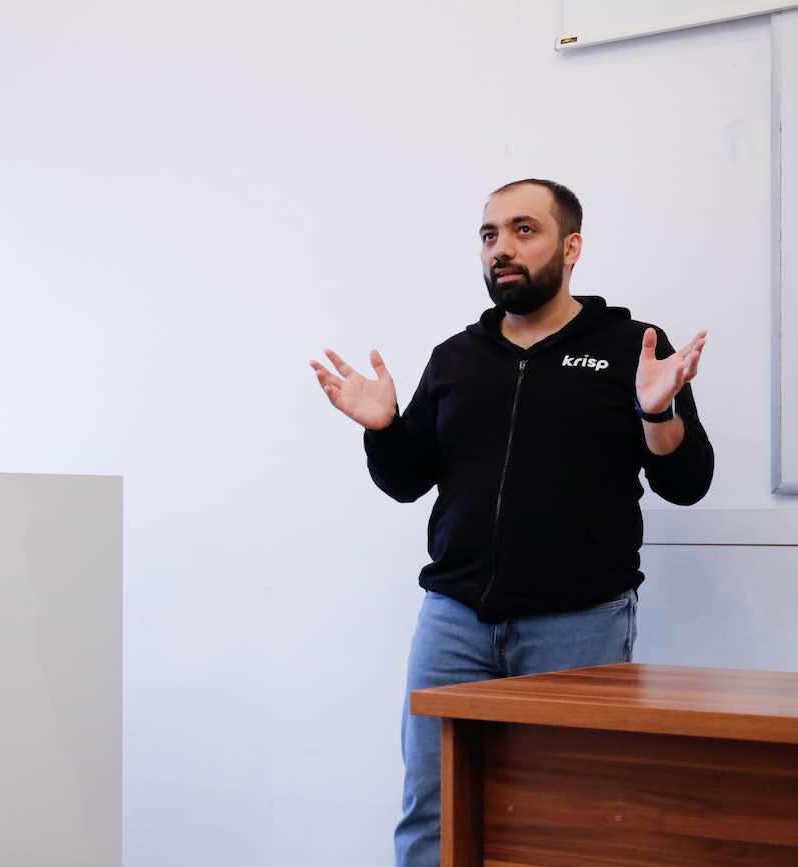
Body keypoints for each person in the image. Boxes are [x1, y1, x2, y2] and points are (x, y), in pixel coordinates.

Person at [309, 179, 714, 867]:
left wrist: (656, 413)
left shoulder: (631, 347)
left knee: (569, 822)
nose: (502, 248)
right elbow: (407, 481)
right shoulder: (457, 357)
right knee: (432, 811)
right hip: (453, 622)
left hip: (578, 625)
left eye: (524, 230)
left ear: (571, 247)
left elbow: (686, 484)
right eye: (489, 235)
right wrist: (383, 428)